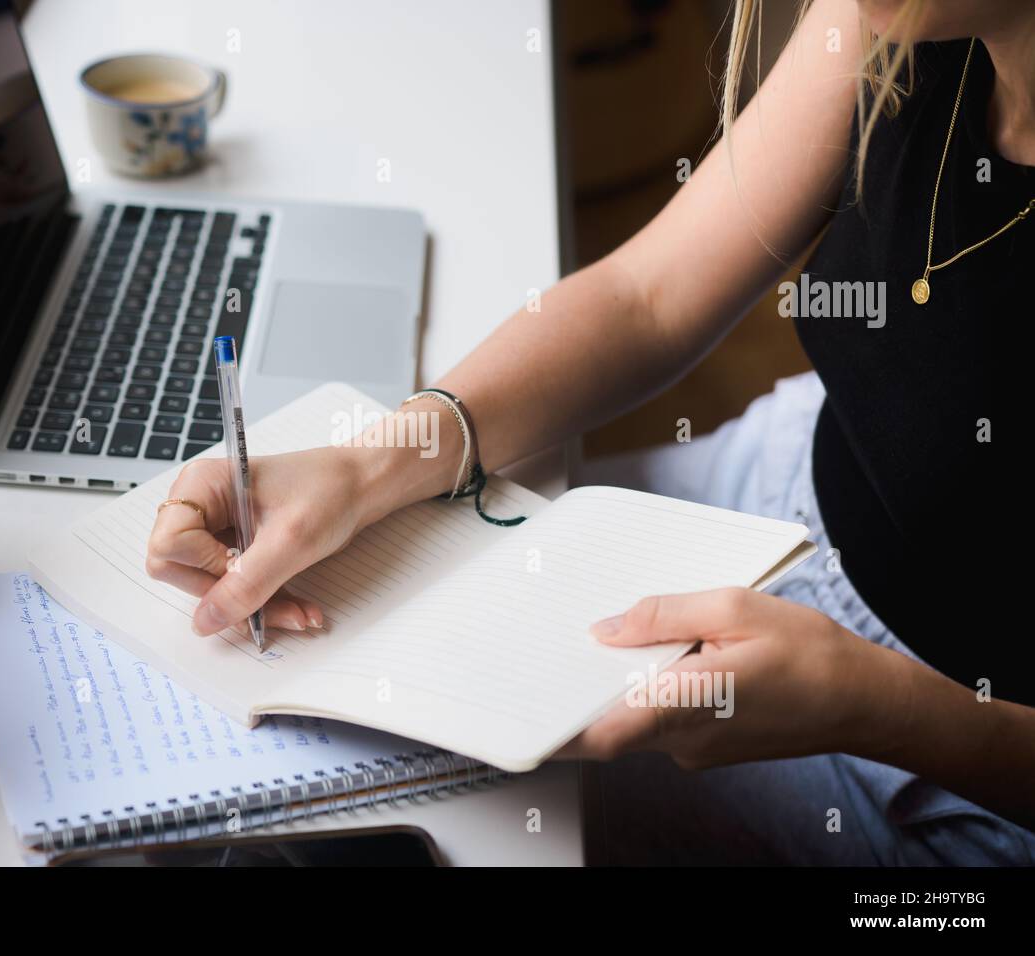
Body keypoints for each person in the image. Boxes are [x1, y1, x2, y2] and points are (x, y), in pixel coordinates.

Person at [146, 0, 1030, 864]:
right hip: (772, 498)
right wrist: (368, 461)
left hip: (944, 765)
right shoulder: (909, 16)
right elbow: (649, 298)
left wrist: (875, 706)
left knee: (362, 794)